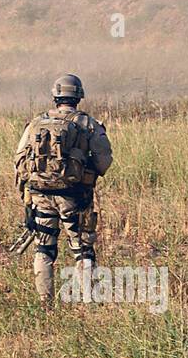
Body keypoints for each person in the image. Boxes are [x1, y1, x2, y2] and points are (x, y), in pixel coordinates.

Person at [13, 74, 113, 302]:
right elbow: (104, 162)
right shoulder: (88, 124)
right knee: (82, 249)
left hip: (39, 195)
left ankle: (45, 302)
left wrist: (27, 196)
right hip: (75, 196)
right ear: (79, 96)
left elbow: (19, 160)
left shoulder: (36, 123)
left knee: (44, 248)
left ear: (55, 96)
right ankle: (88, 301)